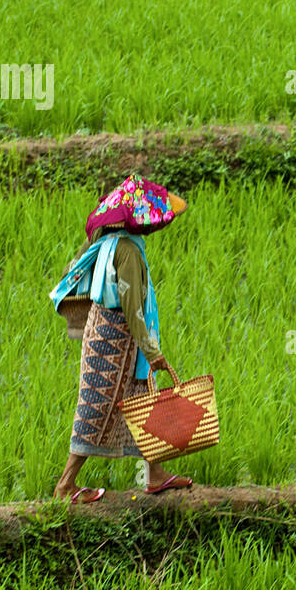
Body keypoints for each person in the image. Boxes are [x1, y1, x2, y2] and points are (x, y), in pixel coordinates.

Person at [48, 174, 193, 503]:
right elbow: (131, 305)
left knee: (144, 400)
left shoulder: (106, 241)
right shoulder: (126, 250)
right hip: (114, 340)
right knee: (96, 407)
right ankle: (65, 485)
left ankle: (154, 474)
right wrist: (152, 350)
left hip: (110, 335)